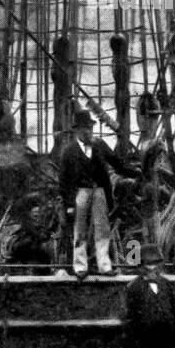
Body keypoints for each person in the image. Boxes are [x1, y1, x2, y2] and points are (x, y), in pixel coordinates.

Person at [57, 110, 136, 277]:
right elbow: (64, 181)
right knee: (80, 230)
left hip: (99, 191)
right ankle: (80, 267)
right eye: (84, 128)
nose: (88, 131)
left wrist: (136, 173)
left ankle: (104, 266)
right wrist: (69, 205)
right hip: (80, 193)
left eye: (90, 128)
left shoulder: (99, 145)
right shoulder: (68, 151)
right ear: (76, 130)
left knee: (102, 229)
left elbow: (117, 165)